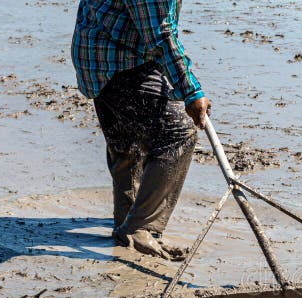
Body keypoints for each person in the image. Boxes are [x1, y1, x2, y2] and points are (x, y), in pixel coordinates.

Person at [71, 0, 211, 259]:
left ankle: (126, 220)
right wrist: (191, 91)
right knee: (178, 135)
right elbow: (162, 35)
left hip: (101, 53)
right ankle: (139, 228)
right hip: (113, 60)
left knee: (128, 142)